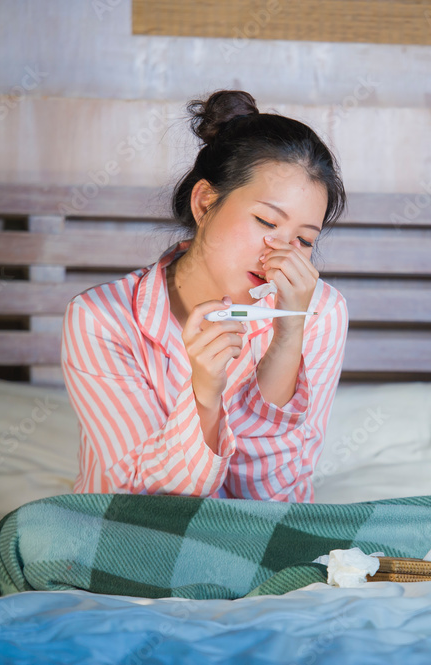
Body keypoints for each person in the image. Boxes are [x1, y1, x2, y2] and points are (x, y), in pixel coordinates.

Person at [61, 90, 349, 502]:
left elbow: (272, 497)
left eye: (304, 240)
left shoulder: (318, 312)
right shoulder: (102, 319)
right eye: (266, 221)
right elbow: (139, 500)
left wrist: (288, 334)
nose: (280, 257)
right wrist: (204, 395)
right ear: (205, 202)